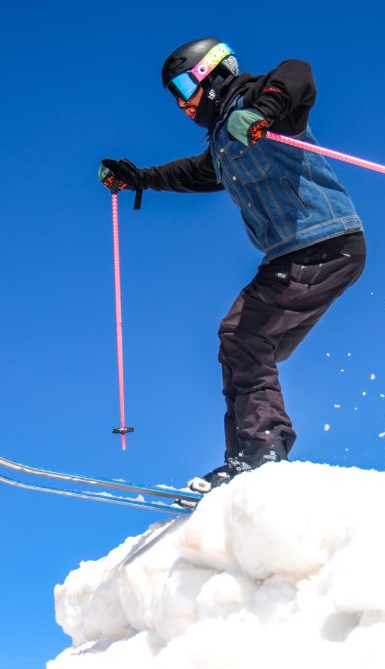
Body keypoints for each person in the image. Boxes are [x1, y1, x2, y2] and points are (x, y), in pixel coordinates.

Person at [99, 38, 366, 492]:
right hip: (292, 254)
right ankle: (246, 459)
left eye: (185, 86)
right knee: (241, 344)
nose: (182, 102)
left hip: (324, 241)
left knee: (244, 335)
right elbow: (187, 173)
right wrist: (137, 178)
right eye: (173, 95)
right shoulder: (225, 145)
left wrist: (263, 110)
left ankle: (261, 453)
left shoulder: (256, 106)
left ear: (212, 73)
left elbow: (297, 73)